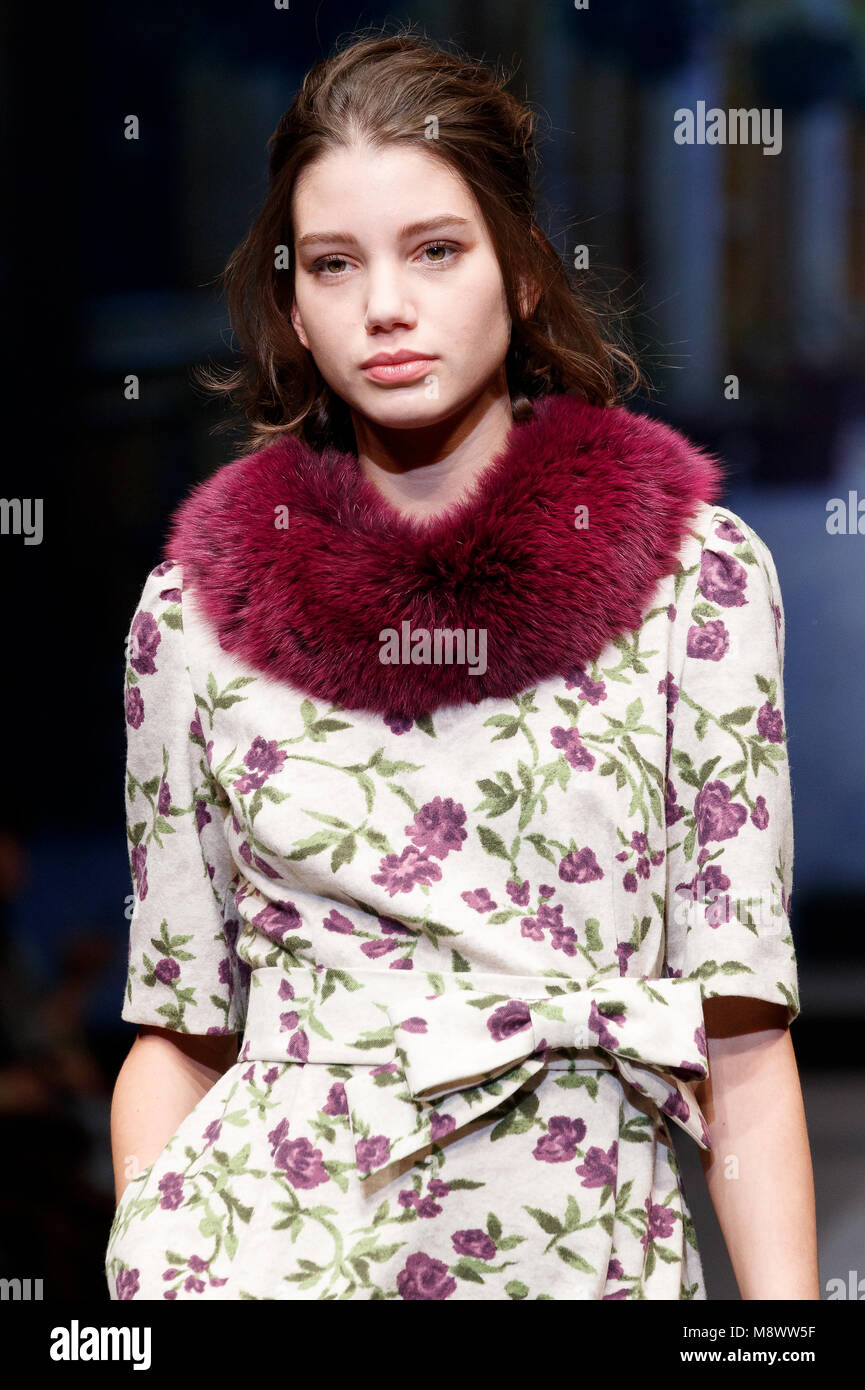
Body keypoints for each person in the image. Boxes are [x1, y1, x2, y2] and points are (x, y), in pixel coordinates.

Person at [106, 29, 818, 1301]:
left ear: (524, 273)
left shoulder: (689, 577)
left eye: (435, 249)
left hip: (582, 1247)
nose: (385, 305)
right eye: (333, 264)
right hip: (258, 1254)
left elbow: (745, 1040)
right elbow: (179, 1023)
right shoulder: (196, 609)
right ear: (291, 303)